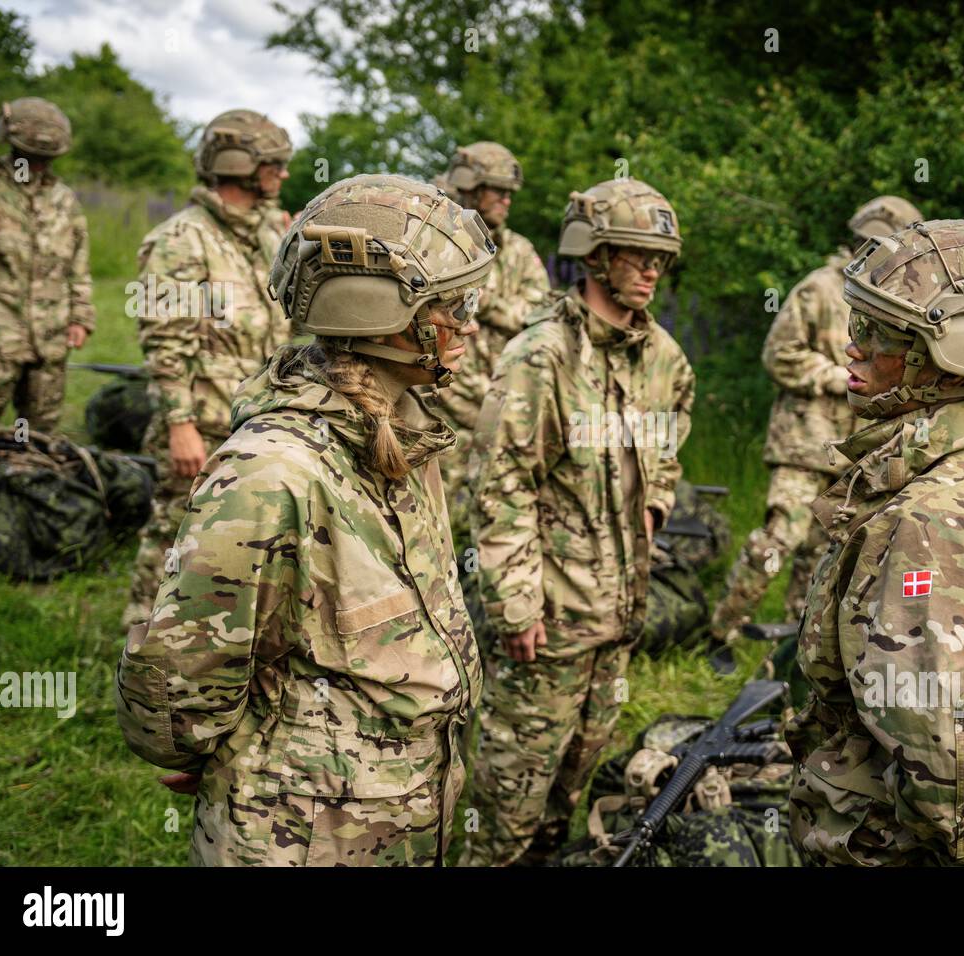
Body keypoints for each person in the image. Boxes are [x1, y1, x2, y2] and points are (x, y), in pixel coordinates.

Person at [114, 173, 497, 866]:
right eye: (456, 305)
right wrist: (217, 751)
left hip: (402, 818)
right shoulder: (274, 473)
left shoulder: (403, 434)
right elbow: (174, 694)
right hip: (298, 833)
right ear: (383, 312)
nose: (470, 324)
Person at [786, 218, 964, 866]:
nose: (849, 348)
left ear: (952, 357)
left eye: (874, 332)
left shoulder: (931, 520)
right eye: (856, 323)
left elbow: (949, 757)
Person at [461, 177, 695, 866]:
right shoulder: (542, 357)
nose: (651, 269)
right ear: (593, 256)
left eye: (660, 258)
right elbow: (500, 488)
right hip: (548, 619)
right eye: (634, 254)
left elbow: (670, 444)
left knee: (575, 779)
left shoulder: (665, 359)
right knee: (512, 791)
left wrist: (656, 503)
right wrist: (515, 606)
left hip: (617, 616)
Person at [710, 196, 923, 642]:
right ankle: (722, 634)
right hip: (804, 441)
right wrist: (836, 377)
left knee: (823, 550)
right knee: (777, 539)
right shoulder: (819, 288)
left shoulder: (893, 302)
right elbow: (779, 354)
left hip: (857, 448)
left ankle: (790, 641)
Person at [122, 109, 293, 627]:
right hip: (202, 419)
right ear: (244, 166)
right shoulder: (180, 239)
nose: (283, 175)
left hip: (259, 414)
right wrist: (180, 424)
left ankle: (217, 632)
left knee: (245, 533)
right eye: (275, 165)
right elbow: (164, 342)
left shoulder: (266, 232)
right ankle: (143, 635)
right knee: (177, 530)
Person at [432, 141, 550, 533]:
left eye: (510, 193)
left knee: (496, 522)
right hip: (437, 410)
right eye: (498, 190)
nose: (506, 200)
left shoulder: (517, 251)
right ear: (469, 187)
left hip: (500, 410)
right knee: (437, 523)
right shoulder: (433, 240)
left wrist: (481, 299)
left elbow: (536, 317)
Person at [0, 97, 94, 433]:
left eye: (45, 159)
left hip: (50, 335)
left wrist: (80, 315)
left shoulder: (63, 199)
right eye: (31, 158)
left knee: (39, 429)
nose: (38, 166)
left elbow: (78, 262)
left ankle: (28, 477)